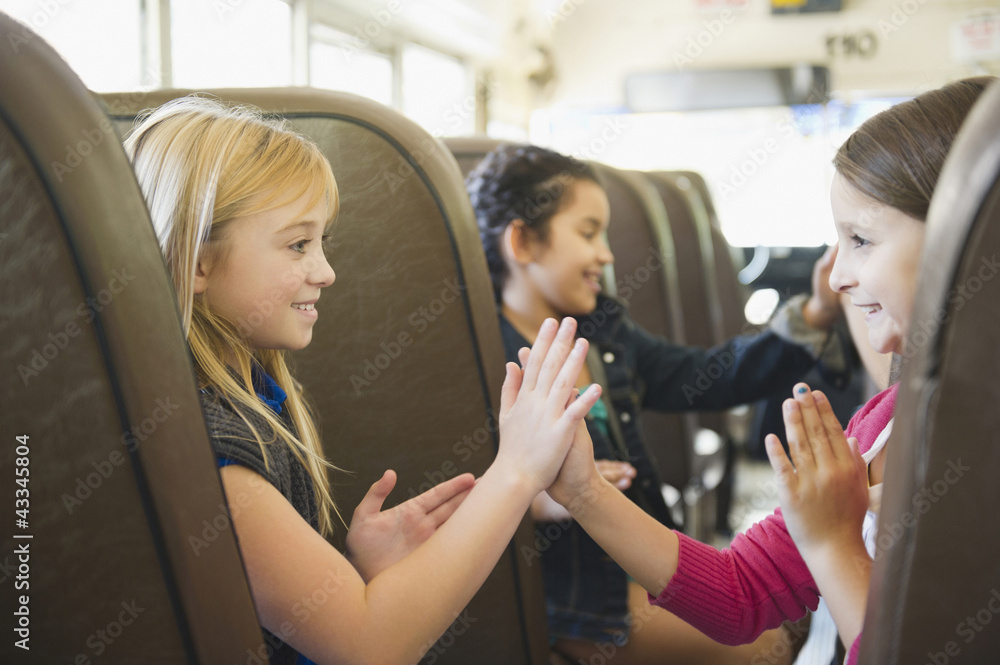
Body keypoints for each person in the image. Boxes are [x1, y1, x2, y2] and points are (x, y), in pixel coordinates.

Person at [122, 96, 602, 665]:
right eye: (298, 244)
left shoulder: (249, 398)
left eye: (322, 242)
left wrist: (359, 577)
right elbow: (372, 647)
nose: (325, 272)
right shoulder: (214, 452)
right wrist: (519, 470)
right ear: (197, 262)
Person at [543, 76, 995, 665]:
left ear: (968, 242)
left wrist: (834, 544)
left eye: (861, 240)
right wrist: (583, 492)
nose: (836, 278)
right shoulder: (881, 421)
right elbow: (740, 593)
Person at [466, 144, 849, 663]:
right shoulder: (477, 353)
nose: (605, 253)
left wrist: (816, 313)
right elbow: (454, 489)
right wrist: (533, 499)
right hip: (581, 603)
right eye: (587, 232)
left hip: (642, 562)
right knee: (770, 644)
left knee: (782, 619)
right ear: (522, 241)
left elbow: (710, 376)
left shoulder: (605, 332)